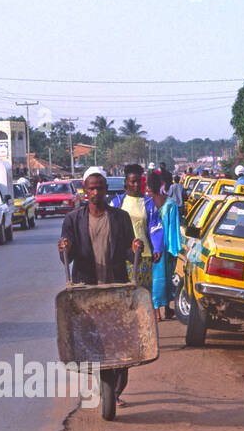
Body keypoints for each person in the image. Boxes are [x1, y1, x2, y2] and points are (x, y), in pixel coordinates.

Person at [58, 167, 143, 404]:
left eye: (100, 188)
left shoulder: (120, 217)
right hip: (88, 290)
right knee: (96, 342)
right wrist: (64, 248)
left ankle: (115, 389)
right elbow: (68, 255)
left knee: (121, 340)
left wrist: (135, 248)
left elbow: (127, 251)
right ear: (85, 191)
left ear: (106, 190)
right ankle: (107, 391)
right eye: (91, 188)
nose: (96, 192)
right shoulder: (73, 219)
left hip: (116, 287)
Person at [148, 170, 182, 320]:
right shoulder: (170, 204)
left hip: (152, 246)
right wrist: (174, 249)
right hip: (167, 248)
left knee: (153, 278)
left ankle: (156, 311)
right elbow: (174, 229)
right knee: (167, 278)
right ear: (162, 184)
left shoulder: (147, 203)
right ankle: (167, 308)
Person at [119, 163, 153, 289]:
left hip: (145, 256)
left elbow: (155, 228)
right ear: (126, 182)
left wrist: (158, 248)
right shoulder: (117, 202)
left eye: (139, 181)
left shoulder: (149, 203)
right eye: (133, 181)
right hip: (124, 257)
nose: (136, 185)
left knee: (144, 295)